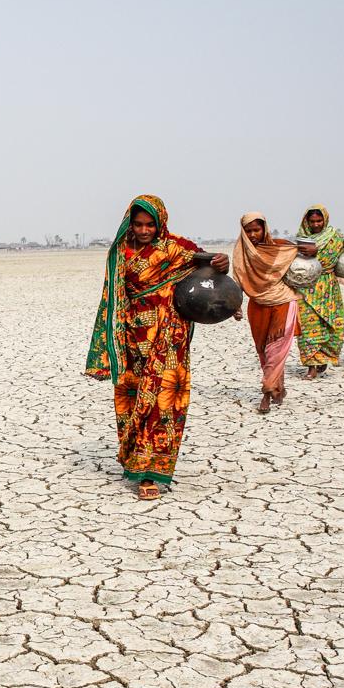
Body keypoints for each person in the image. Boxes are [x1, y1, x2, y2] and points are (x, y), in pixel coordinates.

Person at [91, 194, 227, 500]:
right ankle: (134, 462)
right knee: (133, 403)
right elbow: (111, 299)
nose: (143, 230)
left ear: (161, 223)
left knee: (164, 405)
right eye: (138, 224)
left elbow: (210, 267)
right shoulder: (121, 253)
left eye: (150, 224)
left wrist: (223, 262)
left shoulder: (177, 248)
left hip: (170, 340)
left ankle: (152, 473)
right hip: (132, 339)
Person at [232, 214, 300, 414]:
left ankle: (267, 393)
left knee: (275, 350)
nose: (253, 234)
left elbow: (305, 261)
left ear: (264, 229)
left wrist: (310, 251)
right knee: (263, 350)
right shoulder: (241, 253)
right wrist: (236, 306)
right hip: (258, 306)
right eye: (249, 230)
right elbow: (238, 280)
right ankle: (278, 387)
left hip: (284, 302)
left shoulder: (280, 247)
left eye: (257, 230)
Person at [292, 203, 344, 377]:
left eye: (319, 220)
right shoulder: (301, 239)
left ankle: (322, 358)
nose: (316, 224)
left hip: (328, 287)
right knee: (308, 327)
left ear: (325, 219)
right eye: (312, 221)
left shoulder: (335, 238)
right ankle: (311, 366)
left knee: (329, 325)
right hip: (306, 289)